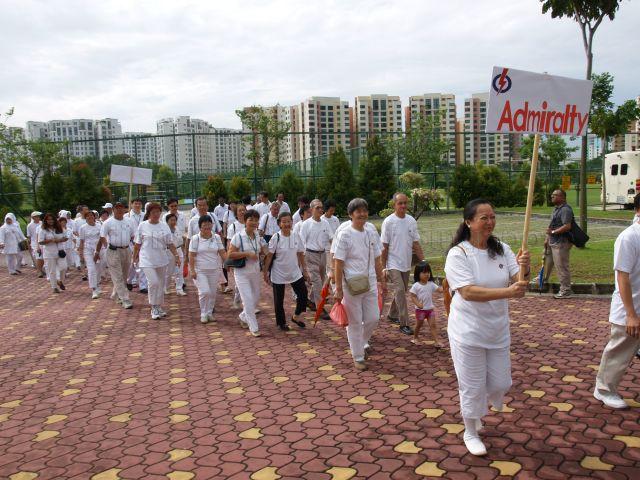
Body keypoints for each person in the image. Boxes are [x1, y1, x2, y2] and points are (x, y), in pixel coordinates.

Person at [443, 199, 529, 456]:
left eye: (492, 217)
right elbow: (467, 292)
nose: (490, 222)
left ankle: (479, 407)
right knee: (472, 384)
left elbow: (519, 283)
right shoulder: (458, 253)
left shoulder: (502, 249)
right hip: (467, 331)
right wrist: (509, 292)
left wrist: (524, 266)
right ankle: (470, 430)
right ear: (469, 222)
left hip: (497, 329)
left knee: (501, 382)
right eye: (484, 218)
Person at [333, 198, 385, 371]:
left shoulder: (370, 231)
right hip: (351, 285)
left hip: (369, 282)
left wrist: (381, 279)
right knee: (355, 321)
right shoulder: (345, 234)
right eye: (358, 212)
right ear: (350, 215)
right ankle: (358, 356)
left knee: (373, 318)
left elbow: (377, 259)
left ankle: (360, 342)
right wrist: (338, 288)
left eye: (364, 211)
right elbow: (338, 262)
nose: (362, 214)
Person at [593, 218, 640, 409]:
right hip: (631, 306)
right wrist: (631, 314)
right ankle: (604, 389)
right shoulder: (629, 237)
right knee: (619, 350)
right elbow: (622, 277)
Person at [381, 192, 425, 335]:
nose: (403, 206)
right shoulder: (388, 222)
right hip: (392, 263)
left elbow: (415, 243)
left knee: (402, 290)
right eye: (400, 203)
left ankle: (392, 314)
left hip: (406, 263)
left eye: (405, 203)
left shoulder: (411, 220)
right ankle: (404, 323)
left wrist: (424, 261)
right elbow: (384, 247)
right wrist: (384, 267)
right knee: (400, 290)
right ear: (394, 204)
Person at [133, 203, 180, 320]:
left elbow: (170, 243)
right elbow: (137, 244)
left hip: (161, 259)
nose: (156, 214)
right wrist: (134, 257)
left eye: (158, 212)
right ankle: (153, 306)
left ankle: (159, 306)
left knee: (160, 284)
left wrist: (176, 255)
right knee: (153, 282)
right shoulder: (142, 226)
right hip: (147, 259)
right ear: (149, 213)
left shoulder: (164, 226)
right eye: (153, 212)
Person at [263, 212, 309, 331]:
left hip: (294, 272)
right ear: (279, 224)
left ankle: (296, 316)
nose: (287, 224)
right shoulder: (276, 237)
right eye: (284, 222)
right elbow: (269, 256)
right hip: (278, 272)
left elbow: (300, 254)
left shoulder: (296, 236)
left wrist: (305, 270)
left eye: (289, 221)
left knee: (303, 294)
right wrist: (265, 272)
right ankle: (281, 323)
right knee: (279, 300)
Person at [227, 209, 268, 336]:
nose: (254, 222)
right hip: (241, 273)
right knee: (248, 301)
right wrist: (247, 254)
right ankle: (254, 327)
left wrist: (265, 254)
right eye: (251, 219)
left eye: (256, 220)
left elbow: (262, 249)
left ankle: (243, 317)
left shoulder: (257, 236)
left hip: (255, 271)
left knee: (255, 299)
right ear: (245, 221)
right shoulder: (238, 236)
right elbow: (230, 254)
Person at [96, 201, 134, 309]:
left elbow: (133, 235)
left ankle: (116, 294)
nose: (120, 210)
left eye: (121, 207)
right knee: (117, 276)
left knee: (124, 275)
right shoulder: (108, 222)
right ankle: (125, 299)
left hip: (126, 250)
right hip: (113, 251)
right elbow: (102, 236)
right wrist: (106, 245)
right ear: (113, 210)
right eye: (117, 208)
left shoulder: (129, 221)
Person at [189, 215, 226, 324]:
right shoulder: (195, 239)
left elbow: (222, 252)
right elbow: (191, 255)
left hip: (214, 270)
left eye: (209, 226)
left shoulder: (216, 238)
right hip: (200, 270)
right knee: (205, 291)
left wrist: (229, 263)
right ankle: (203, 313)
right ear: (200, 227)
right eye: (204, 226)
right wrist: (192, 270)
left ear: (212, 225)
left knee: (212, 293)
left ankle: (209, 313)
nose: (207, 228)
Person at [300, 199, 333, 319]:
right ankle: (320, 308)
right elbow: (302, 241)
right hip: (311, 254)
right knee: (317, 282)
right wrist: (302, 259)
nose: (320, 210)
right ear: (311, 209)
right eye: (317, 208)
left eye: (321, 207)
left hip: (322, 254)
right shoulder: (306, 224)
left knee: (322, 279)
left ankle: (310, 300)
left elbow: (331, 238)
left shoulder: (325, 223)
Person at [545, 189, 574, 299]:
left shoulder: (565, 210)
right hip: (553, 241)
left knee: (562, 267)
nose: (552, 196)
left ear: (562, 197)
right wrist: (547, 238)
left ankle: (566, 290)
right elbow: (551, 225)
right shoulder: (556, 209)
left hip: (561, 242)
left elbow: (567, 226)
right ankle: (543, 279)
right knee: (548, 261)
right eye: (552, 195)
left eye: (555, 195)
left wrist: (553, 232)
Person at [409, 261, 443, 347]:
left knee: (433, 325)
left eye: (428, 272)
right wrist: (418, 304)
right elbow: (412, 296)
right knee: (419, 324)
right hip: (420, 311)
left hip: (430, 310)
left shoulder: (431, 284)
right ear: (418, 273)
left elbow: (440, 290)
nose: (427, 274)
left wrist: (446, 285)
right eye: (424, 272)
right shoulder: (416, 286)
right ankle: (415, 337)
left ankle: (436, 341)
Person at [38, 213, 67, 293]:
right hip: (49, 252)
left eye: (52, 219)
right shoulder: (43, 230)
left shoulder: (59, 228)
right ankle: (54, 287)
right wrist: (50, 240)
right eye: (49, 219)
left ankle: (60, 281)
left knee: (63, 267)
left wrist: (59, 240)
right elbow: (40, 242)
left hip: (60, 251)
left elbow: (66, 237)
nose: (50, 221)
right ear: (46, 221)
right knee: (52, 270)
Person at [79, 210, 104, 299]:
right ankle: (94, 289)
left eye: (91, 215)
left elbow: (102, 238)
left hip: (99, 249)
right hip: (88, 250)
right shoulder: (83, 228)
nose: (90, 217)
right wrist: (80, 252)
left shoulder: (99, 226)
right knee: (91, 269)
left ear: (94, 217)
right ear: (85, 218)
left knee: (99, 269)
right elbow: (81, 241)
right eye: (88, 216)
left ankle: (97, 284)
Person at [227, 204, 247, 309]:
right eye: (240, 210)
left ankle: (241, 301)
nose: (242, 212)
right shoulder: (233, 226)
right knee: (240, 280)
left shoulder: (250, 224)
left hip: (249, 257)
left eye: (244, 210)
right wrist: (228, 259)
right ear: (236, 213)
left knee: (249, 281)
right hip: (237, 256)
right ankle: (240, 301)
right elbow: (229, 243)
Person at [125, 198, 146, 293]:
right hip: (131, 243)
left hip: (143, 243)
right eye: (135, 203)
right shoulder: (127, 216)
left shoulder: (145, 215)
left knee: (142, 264)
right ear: (131, 204)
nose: (137, 205)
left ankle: (143, 286)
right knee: (131, 264)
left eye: (139, 204)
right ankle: (128, 280)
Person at [164, 213, 187, 296]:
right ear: (167, 221)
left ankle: (179, 288)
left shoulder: (177, 229)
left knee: (179, 271)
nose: (173, 222)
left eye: (175, 220)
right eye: (171, 220)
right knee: (168, 272)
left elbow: (181, 241)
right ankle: (166, 288)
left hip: (179, 250)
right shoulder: (165, 230)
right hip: (169, 252)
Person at [27, 211, 44, 276]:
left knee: (43, 258)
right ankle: (39, 271)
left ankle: (41, 269)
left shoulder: (42, 223)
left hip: (42, 242)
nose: (38, 218)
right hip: (34, 243)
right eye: (36, 216)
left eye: (39, 216)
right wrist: (29, 244)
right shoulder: (29, 225)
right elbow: (29, 236)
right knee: (38, 257)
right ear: (33, 217)